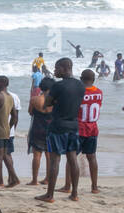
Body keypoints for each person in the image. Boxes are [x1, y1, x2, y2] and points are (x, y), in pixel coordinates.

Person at [36, 58, 84, 203]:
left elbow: (47, 104)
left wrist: (55, 101)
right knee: (73, 159)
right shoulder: (80, 85)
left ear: (64, 68)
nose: (55, 71)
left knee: (55, 160)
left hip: (58, 126)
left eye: (57, 68)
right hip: (73, 125)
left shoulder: (58, 86)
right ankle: (74, 193)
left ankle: (49, 195)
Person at [74, 69, 103, 194]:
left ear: (81, 78)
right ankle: (94, 186)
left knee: (72, 157)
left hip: (79, 128)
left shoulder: (78, 92)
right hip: (93, 128)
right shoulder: (99, 92)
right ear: (93, 79)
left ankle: (68, 185)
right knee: (92, 157)